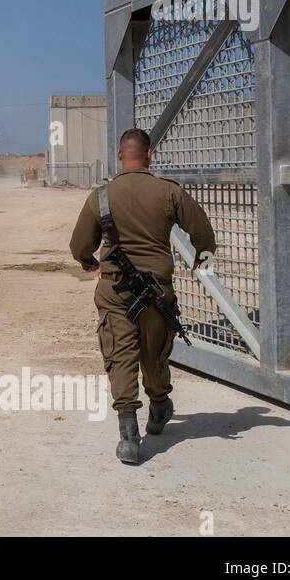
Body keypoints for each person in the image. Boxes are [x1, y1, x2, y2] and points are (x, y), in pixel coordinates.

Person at [69, 128, 216, 464]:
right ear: (149, 155)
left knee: (120, 353)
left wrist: (87, 261)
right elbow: (202, 230)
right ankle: (160, 406)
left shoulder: (101, 196)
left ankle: (129, 437)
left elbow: (80, 245)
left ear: (120, 155)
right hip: (156, 290)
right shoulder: (169, 192)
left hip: (115, 290)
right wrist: (202, 254)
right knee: (155, 352)